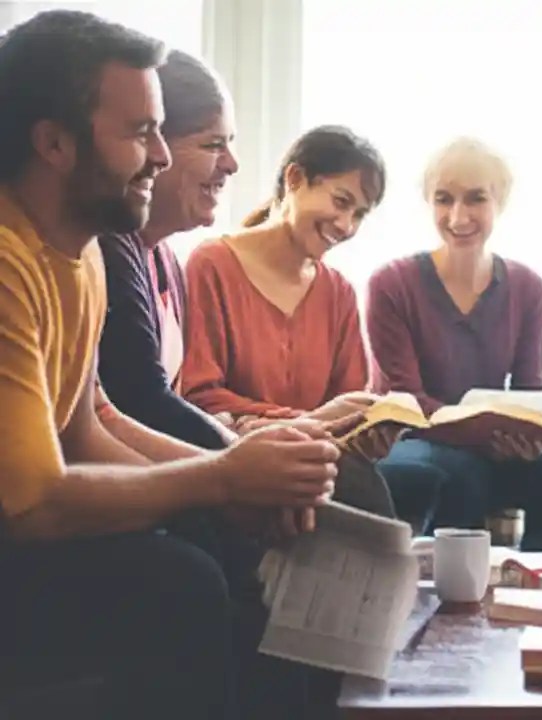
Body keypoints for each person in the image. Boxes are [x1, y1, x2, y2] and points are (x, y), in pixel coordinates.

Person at [0, 11, 340, 719]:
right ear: (54, 143)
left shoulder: (80, 252)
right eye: (139, 132)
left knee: (235, 545)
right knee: (175, 579)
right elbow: (31, 505)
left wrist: (231, 487)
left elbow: (89, 420)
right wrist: (220, 475)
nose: (160, 154)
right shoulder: (7, 263)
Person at [368, 137, 542, 550]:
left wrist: (532, 433)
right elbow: (406, 400)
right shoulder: (392, 283)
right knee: (463, 475)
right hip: (412, 441)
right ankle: (437, 602)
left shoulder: (527, 287)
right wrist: (484, 435)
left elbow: (527, 389)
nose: (458, 215)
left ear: (500, 201)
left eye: (475, 199)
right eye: (443, 199)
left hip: (484, 446)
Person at [181, 125, 384, 428]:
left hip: (321, 463)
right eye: (341, 202)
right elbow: (199, 395)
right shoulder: (212, 266)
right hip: (231, 462)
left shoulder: (338, 292)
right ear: (295, 179)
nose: (346, 226)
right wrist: (308, 423)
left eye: (359, 214)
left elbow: (349, 406)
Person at [95, 49, 239, 451]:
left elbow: (175, 402)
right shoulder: (107, 248)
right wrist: (239, 453)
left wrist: (251, 430)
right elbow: (140, 401)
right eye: (213, 144)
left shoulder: (165, 258)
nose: (233, 163)